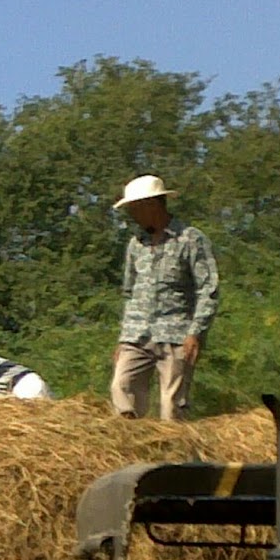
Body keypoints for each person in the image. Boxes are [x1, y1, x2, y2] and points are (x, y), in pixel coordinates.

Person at [110, 175, 220, 420]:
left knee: (172, 405)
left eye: (135, 208)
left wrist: (195, 332)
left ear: (152, 205)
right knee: (122, 387)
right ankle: (130, 445)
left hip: (176, 335)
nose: (132, 215)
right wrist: (123, 337)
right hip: (137, 335)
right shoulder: (136, 244)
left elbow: (208, 289)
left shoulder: (190, 239)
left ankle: (175, 455)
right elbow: (130, 292)